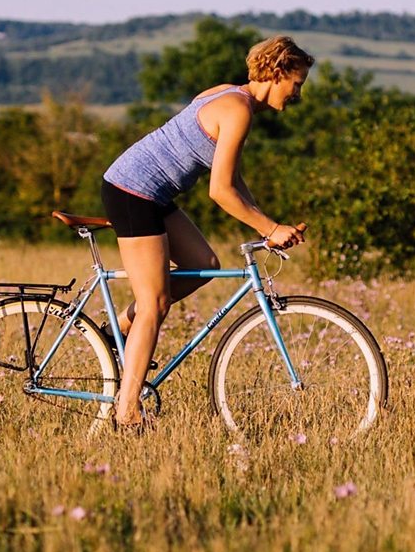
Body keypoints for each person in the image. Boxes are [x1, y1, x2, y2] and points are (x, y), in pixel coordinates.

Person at [100, 35, 314, 429]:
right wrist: (269, 227)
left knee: (204, 264)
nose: (297, 94)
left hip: (153, 192)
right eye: (296, 84)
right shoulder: (237, 110)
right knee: (156, 303)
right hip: (133, 191)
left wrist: (266, 224)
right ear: (278, 72)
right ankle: (126, 411)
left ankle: (115, 331)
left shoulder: (230, 95)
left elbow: (231, 177)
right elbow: (220, 190)